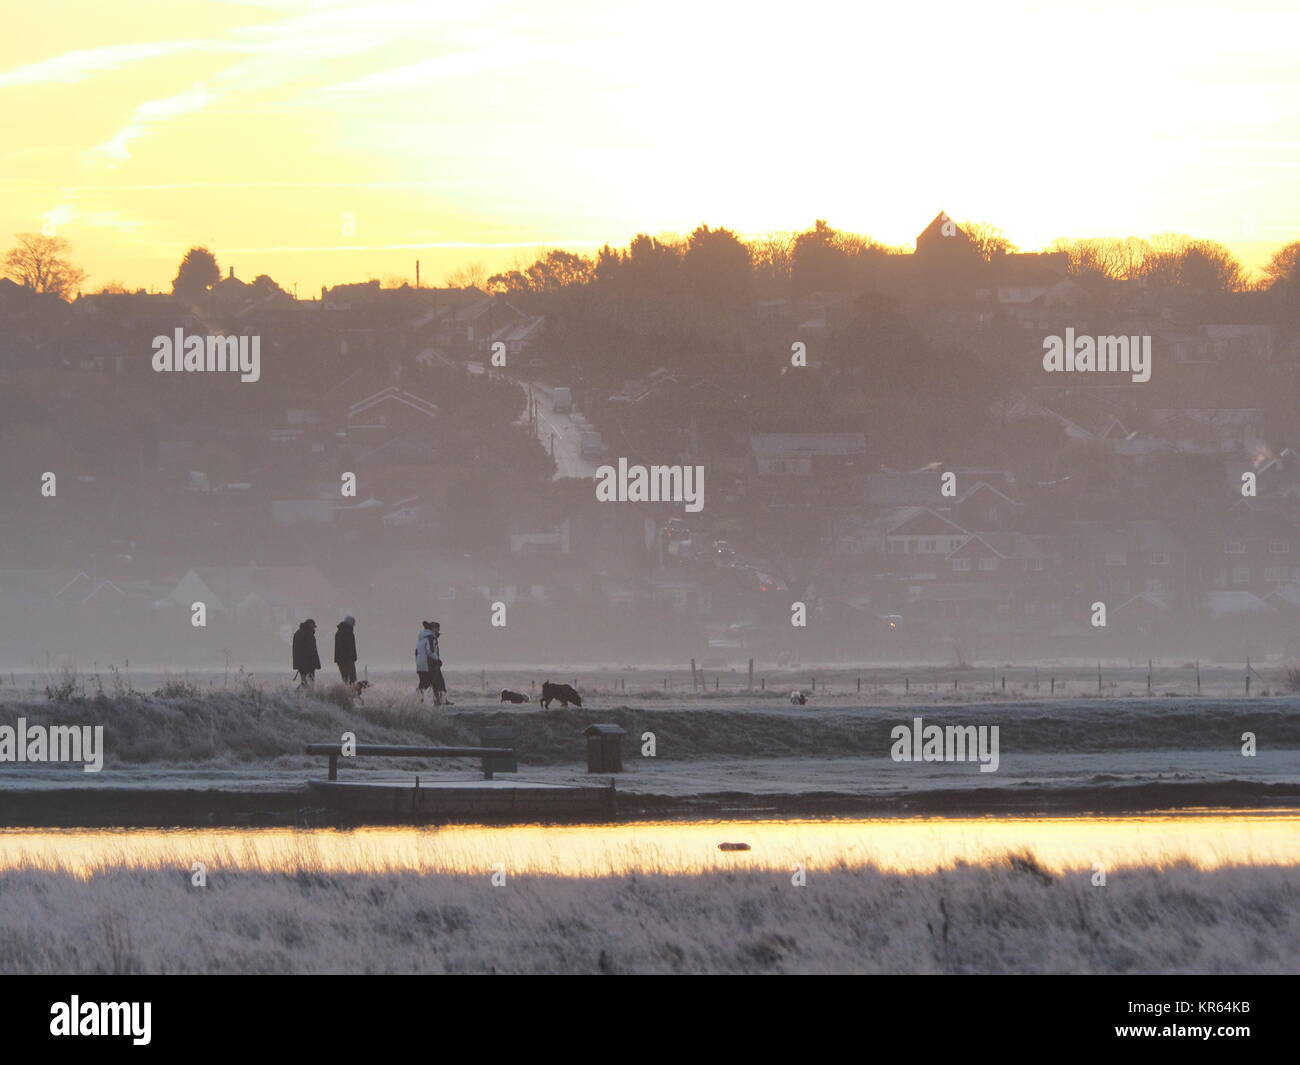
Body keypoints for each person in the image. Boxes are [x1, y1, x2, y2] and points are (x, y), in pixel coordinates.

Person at [415, 620, 452, 706]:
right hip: (430, 664)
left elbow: (416, 652)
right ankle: (441, 700)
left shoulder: (421, 639)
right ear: (433, 628)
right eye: (438, 629)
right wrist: (437, 660)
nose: (439, 631)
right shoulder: (431, 638)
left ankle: (421, 700)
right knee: (439, 682)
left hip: (421, 666)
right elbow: (430, 651)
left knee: (426, 683)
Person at [292, 619, 321, 687]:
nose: (314, 628)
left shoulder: (298, 633)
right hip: (309, 663)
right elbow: (312, 650)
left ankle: (298, 695)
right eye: (313, 626)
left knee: (304, 682)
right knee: (311, 682)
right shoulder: (308, 634)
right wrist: (316, 664)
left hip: (300, 663)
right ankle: (308, 695)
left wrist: (298, 663)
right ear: (310, 625)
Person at [334, 615, 358, 685]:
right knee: (352, 680)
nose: (354, 625)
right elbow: (349, 647)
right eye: (353, 623)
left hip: (341, 660)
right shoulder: (347, 632)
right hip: (347, 660)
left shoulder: (339, 632)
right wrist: (352, 657)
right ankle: (352, 695)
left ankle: (347, 694)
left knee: (346, 681)